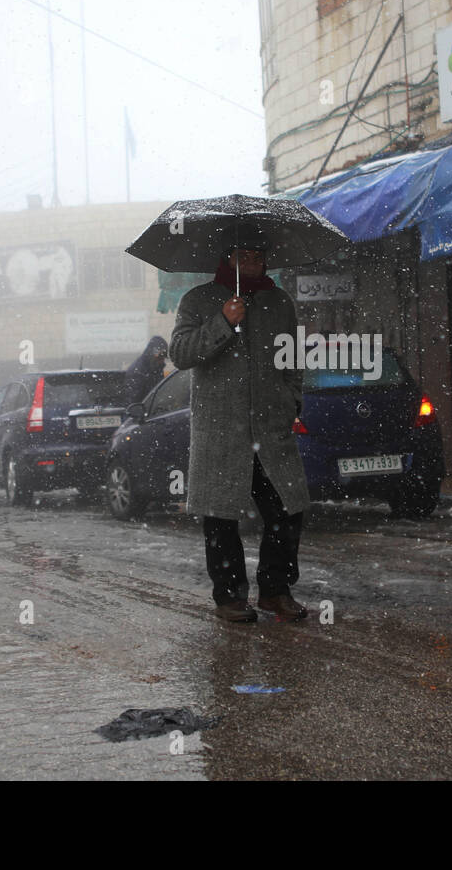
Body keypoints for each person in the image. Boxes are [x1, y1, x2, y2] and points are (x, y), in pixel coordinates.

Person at [168, 223, 310, 623]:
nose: (251, 262)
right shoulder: (197, 301)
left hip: (271, 430)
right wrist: (224, 322)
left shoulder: (279, 302)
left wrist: (291, 401)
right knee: (221, 516)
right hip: (220, 430)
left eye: (257, 256)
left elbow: (292, 359)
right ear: (226, 259)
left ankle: (275, 591)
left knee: (287, 509)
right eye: (243, 256)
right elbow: (181, 353)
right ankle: (229, 597)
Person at [123, 335, 169, 405]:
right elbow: (134, 401)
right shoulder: (138, 371)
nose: (162, 361)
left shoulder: (156, 367)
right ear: (151, 354)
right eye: (160, 357)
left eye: (163, 357)